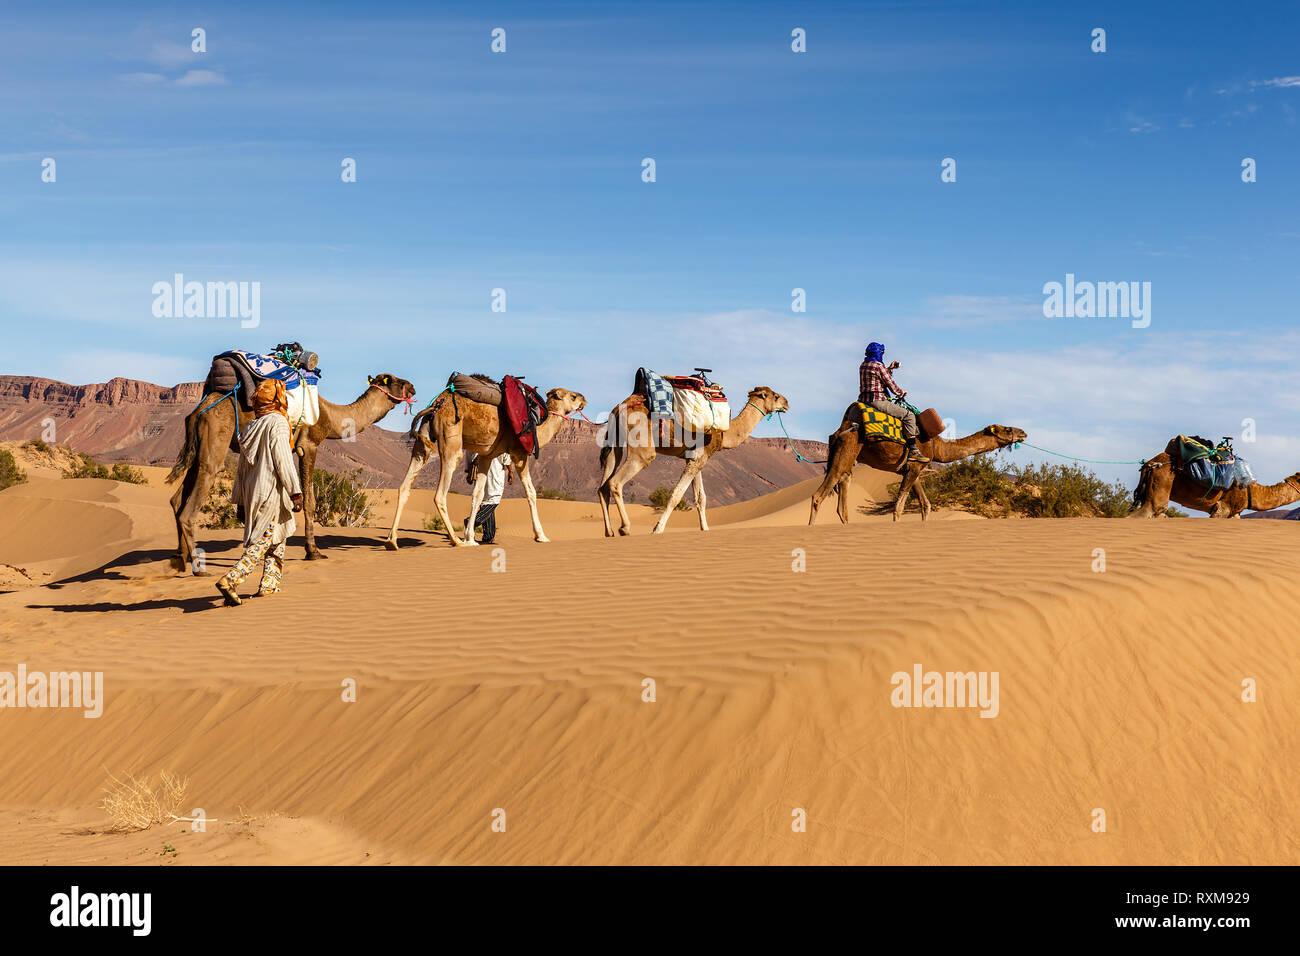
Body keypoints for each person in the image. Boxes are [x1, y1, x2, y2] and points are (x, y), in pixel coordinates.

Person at [216, 379, 303, 606]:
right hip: (271, 492)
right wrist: (296, 492)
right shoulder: (278, 423)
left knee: (277, 537)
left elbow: (242, 469)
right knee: (263, 539)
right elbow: (283, 459)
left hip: (253, 490)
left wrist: (241, 501)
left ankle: (269, 584)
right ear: (278, 399)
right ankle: (231, 579)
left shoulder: (252, 426)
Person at [859, 341, 929, 463]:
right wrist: (901, 393)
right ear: (879, 353)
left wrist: (890, 369)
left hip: (863, 400)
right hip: (877, 400)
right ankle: (913, 450)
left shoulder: (863, 365)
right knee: (909, 416)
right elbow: (890, 384)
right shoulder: (878, 366)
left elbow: (878, 378)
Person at [464, 452, 513, 546]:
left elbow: (468, 456)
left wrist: (468, 472)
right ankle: (472, 521)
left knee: (486, 503)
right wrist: (510, 471)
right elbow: (506, 458)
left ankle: (489, 536)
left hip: (480, 477)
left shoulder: (474, 440)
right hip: (494, 476)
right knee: (493, 501)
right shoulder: (499, 439)